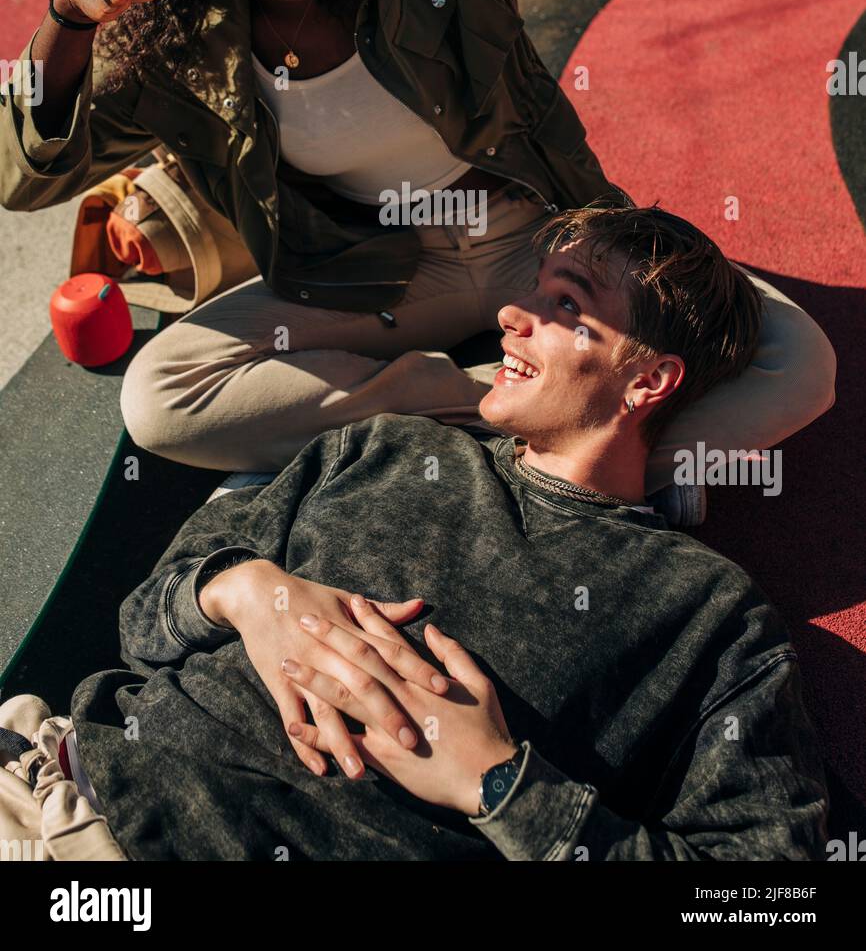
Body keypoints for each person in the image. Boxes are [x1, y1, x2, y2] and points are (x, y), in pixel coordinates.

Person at [0, 0, 834, 505]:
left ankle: (430, 458)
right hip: (381, 276)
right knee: (163, 398)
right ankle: (545, 439)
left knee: (797, 363)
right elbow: (20, 172)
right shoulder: (175, 44)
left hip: (541, 246)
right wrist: (70, 19)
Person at [0, 206, 829, 860]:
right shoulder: (386, 444)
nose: (510, 313)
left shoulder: (706, 614)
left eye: (566, 303)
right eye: (533, 289)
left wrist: (504, 787)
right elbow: (140, 626)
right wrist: (243, 592)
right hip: (54, 777)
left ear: (648, 379)